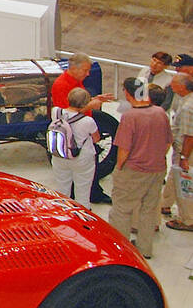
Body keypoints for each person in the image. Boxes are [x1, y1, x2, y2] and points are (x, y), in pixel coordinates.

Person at [109, 77, 172, 259]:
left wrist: (120, 167)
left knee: (122, 209)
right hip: (157, 169)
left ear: (128, 93)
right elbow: (168, 142)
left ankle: (121, 251)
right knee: (149, 209)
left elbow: (124, 149)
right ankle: (145, 248)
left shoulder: (130, 116)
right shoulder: (160, 112)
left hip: (134, 170)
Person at [51, 52, 114, 204]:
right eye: (85, 70)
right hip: (77, 145)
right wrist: (91, 105)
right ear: (74, 68)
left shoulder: (73, 82)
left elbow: (73, 105)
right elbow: (68, 112)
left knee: (65, 184)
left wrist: (94, 100)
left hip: (66, 150)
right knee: (82, 186)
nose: (87, 74)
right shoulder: (62, 85)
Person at [49, 87, 99, 205]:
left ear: (68, 99)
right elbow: (96, 139)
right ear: (86, 104)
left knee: (62, 189)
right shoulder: (88, 121)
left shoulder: (56, 112)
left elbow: (71, 114)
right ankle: (82, 214)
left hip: (60, 155)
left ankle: (63, 212)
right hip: (81, 159)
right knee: (83, 190)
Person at [164, 73, 193, 229]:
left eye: (174, 83)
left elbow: (189, 135)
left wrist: (184, 157)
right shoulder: (185, 100)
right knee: (175, 176)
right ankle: (166, 202)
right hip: (182, 148)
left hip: (186, 150)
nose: (170, 85)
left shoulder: (189, 107)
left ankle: (188, 219)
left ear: (182, 86)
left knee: (185, 183)